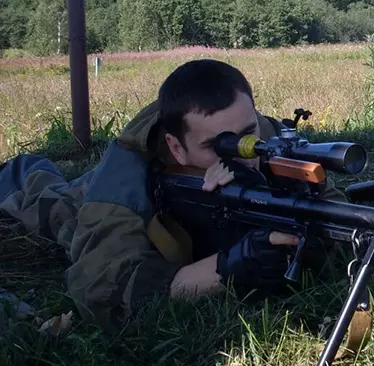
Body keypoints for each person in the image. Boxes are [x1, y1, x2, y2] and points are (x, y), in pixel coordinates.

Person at [0, 59, 331, 327]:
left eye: (248, 135)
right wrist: (226, 267)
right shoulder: (123, 184)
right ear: (177, 147)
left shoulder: (261, 133)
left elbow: (331, 208)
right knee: (44, 201)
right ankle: (21, 169)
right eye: (215, 147)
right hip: (87, 197)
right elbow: (103, 295)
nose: (242, 154)